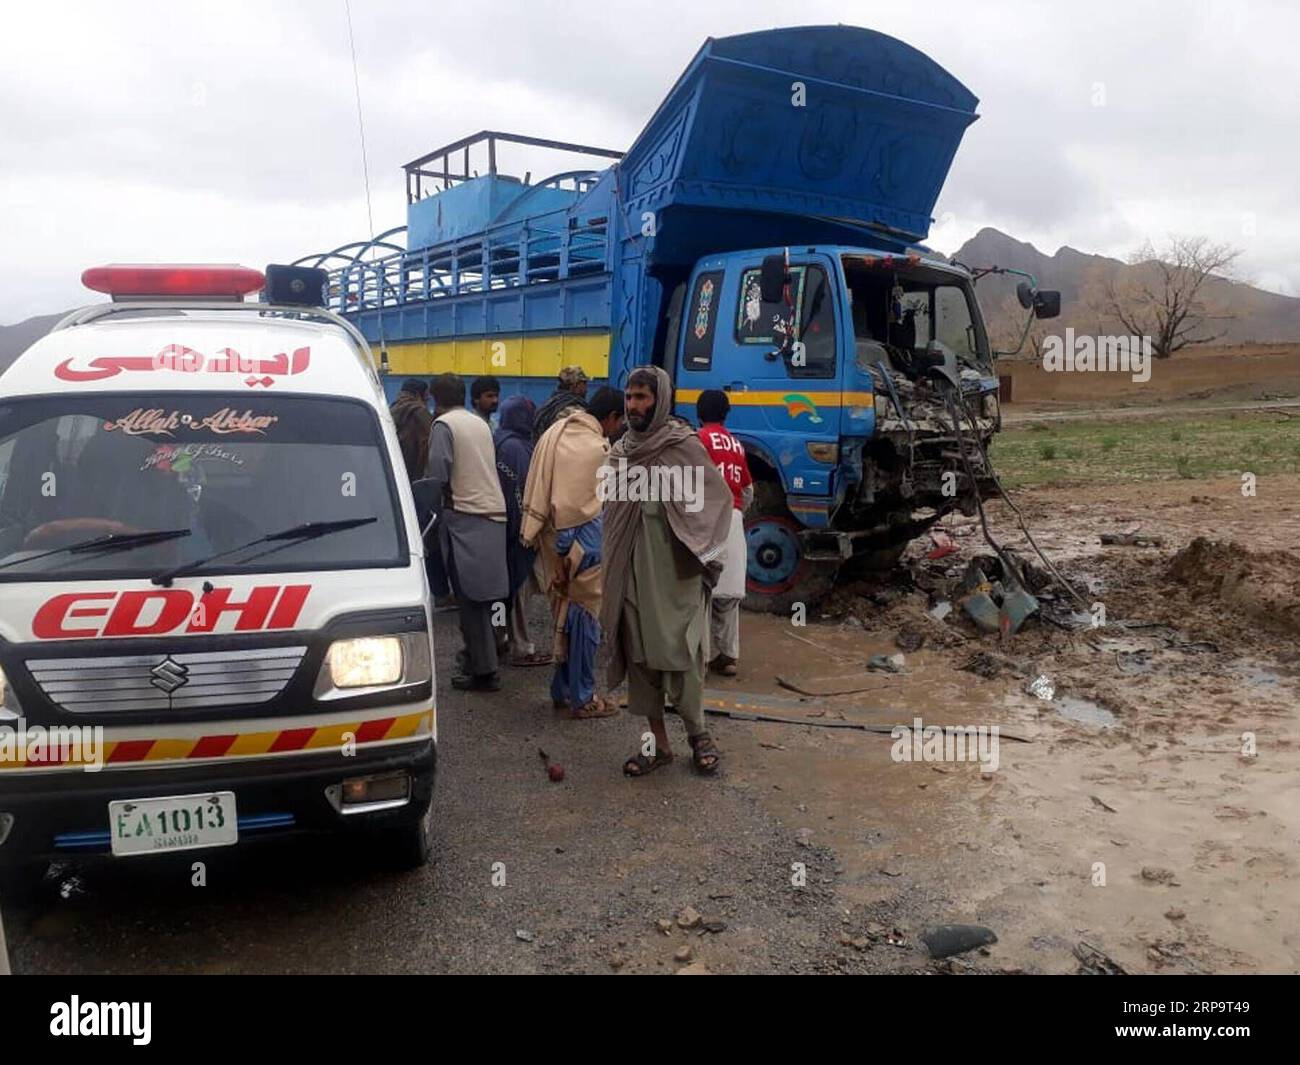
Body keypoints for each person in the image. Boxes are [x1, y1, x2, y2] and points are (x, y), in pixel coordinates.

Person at [601, 366, 733, 775]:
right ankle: (657, 745)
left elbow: (718, 499)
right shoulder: (620, 451)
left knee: (682, 653)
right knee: (640, 656)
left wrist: (692, 539)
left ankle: (699, 736)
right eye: (630, 397)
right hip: (630, 571)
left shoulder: (682, 446)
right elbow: (610, 508)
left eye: (643, 397)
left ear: (660, 400)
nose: (634, 405)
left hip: (675, 574)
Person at [522, 398, 614, 718]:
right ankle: (583, 697)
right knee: (585, 623)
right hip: (580, 551)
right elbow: (570, 507)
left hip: (561, 548)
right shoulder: (591, 447)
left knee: (565, 619)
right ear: (612, 417)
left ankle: (561, 690)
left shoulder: (560, 433)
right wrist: (564, 555)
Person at [425, 372, 509, 691]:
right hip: (493, 515)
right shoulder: (480, 424)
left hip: (464, 517)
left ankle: (484, 671)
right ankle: (483, 658)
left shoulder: (443, 426)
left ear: (435, 398)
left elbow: (438, 473)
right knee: (487, 597)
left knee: (469, 597)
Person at [696, 389, 753, 677]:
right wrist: (738, 514)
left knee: (702, 591)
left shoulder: (697, 440)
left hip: (707, 521)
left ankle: (702, 658)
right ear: (726, 413)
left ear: (699, 412)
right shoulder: (736, 444)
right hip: (733, 518)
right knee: (728, 595)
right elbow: (747, 490)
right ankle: (728, 657)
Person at [494, 394, 551, 667]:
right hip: (518, 530)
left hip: (499, 528)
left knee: (502, 590)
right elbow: (526, 492)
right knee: (519, 590)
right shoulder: (517, 448)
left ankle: (498, 639)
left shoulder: (499, 440)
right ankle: (521, 647)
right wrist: (529, 531)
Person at [390, 378, 451, 604]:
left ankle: (403, 589)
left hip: (397, 484)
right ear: (421, 395)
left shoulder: (391, 410)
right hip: (419, 484)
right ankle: (441, 593)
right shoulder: (419, 413)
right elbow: (431, 446)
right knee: (431, 537)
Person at [531, 366, 589, 443]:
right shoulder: (574, 412)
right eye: (583, 383)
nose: (586, 388)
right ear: (574, 385)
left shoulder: (549, 405)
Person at [390, 378, 433, 481]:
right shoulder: (421, 413)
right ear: (418, 395)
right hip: (415, 476)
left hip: (394, 471)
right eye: (426, 398)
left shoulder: (390, 410)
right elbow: (429, 444)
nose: (427, 402)